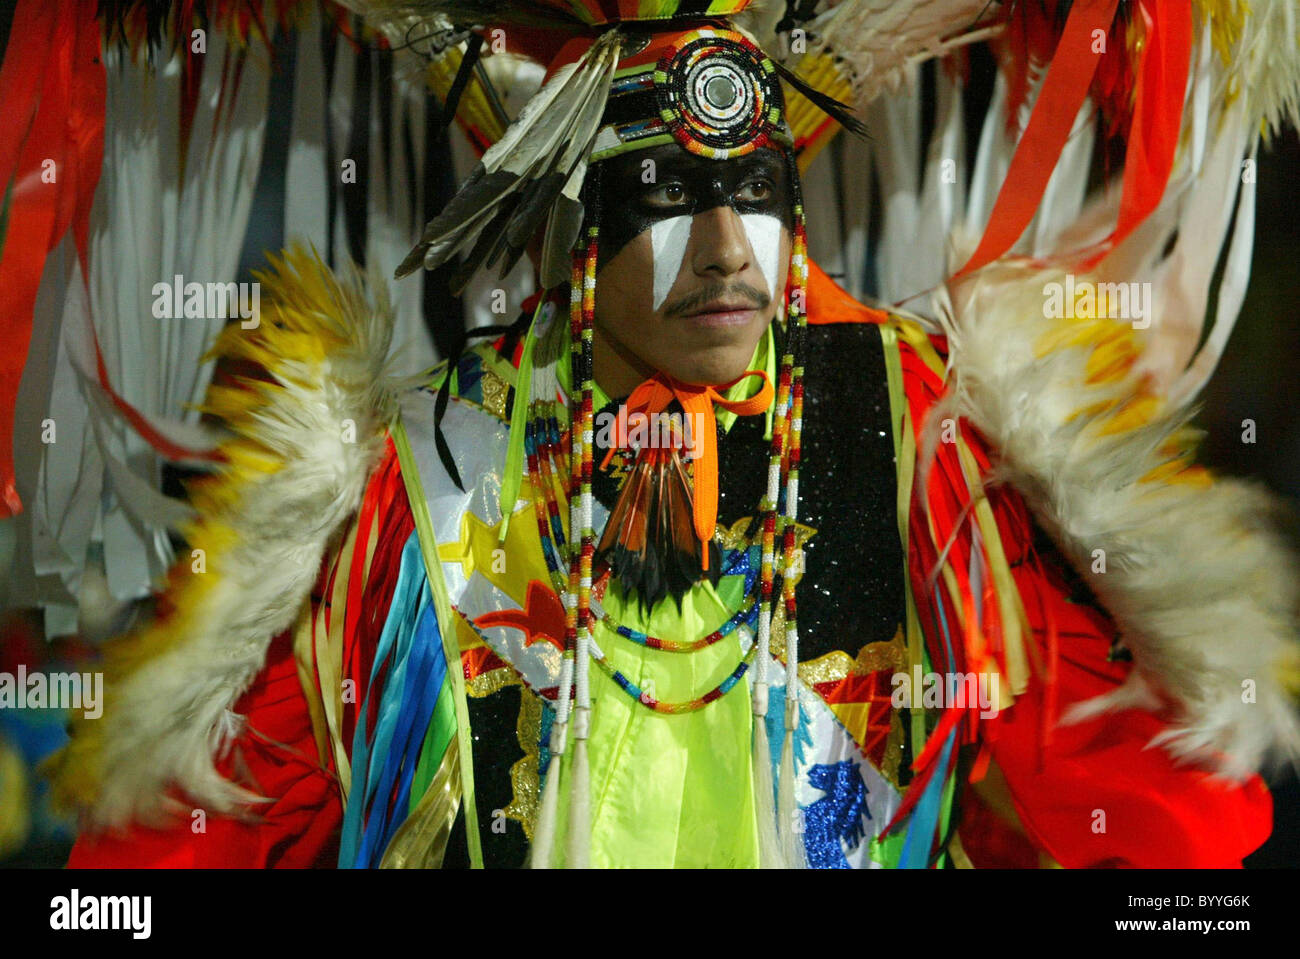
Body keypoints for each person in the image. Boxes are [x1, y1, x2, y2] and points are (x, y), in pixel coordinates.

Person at [53, 0, 1298, 869]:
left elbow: (1125, 782)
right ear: (580, 234)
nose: (724, 252)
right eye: (666, 199)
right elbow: (229, 810)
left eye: (753, 198)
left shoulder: (894, 420)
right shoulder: (440, 453)